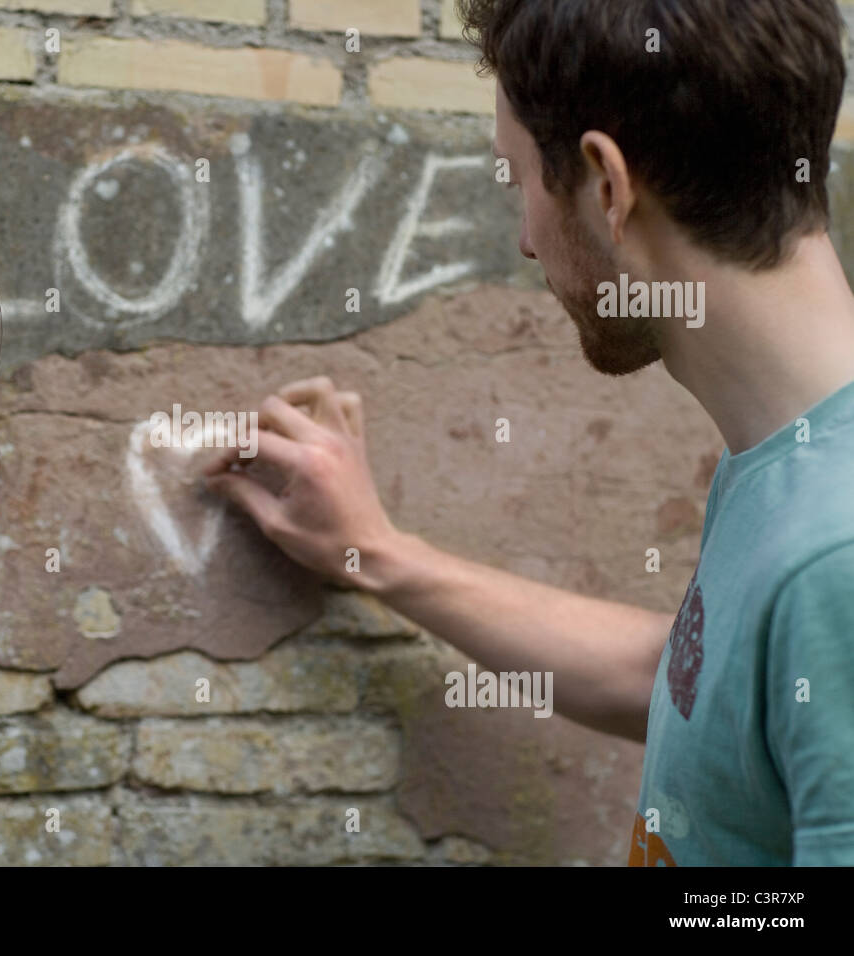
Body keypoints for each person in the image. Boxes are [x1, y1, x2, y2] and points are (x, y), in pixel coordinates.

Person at [203, 0, 854, 865]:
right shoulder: (793, 473)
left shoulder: (833, 554)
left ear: (607, 187)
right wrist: (373, 550)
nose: (524, 242)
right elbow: (695, 687)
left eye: (518, 184)